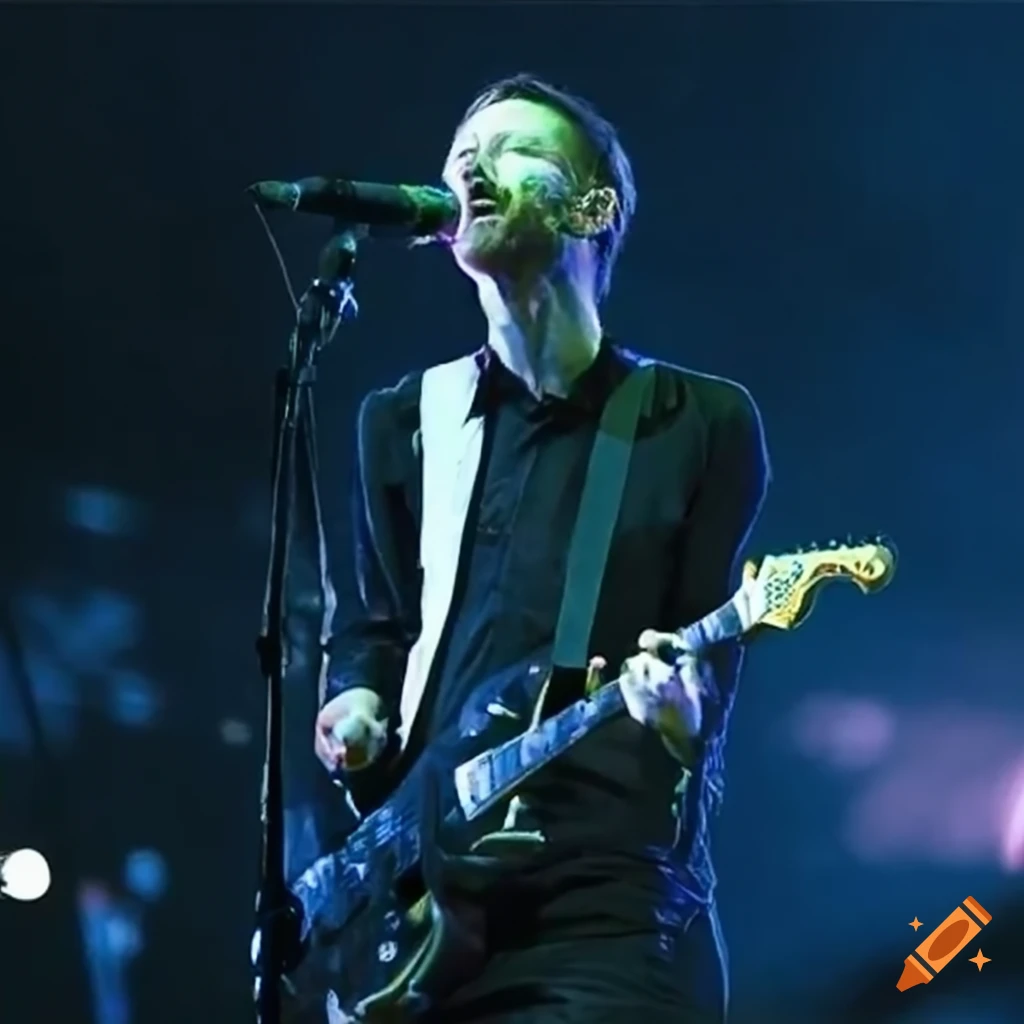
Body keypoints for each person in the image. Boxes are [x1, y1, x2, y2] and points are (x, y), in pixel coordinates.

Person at [313, 73, 770, 1024]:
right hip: (425, 893)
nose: (470, 165)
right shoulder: (402, 421)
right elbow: (374, 625)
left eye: (513, 148)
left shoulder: (701, 421)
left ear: (593, 206)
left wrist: (687, 712)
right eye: (457, 156)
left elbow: (708, 666)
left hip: (604, 906)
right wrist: (352, 698)